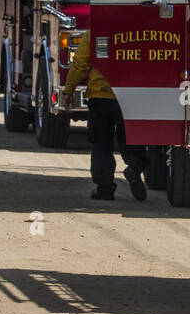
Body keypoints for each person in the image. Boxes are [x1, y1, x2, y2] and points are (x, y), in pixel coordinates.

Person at [62, 30, 149, 201]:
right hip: (130, 95)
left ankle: (105, 188)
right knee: (132, 138)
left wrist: (68, 90)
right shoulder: (140, 30)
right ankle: (134, 166)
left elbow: (80, 63)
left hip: (99, 95)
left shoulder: (94, 31)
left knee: (101, 144)